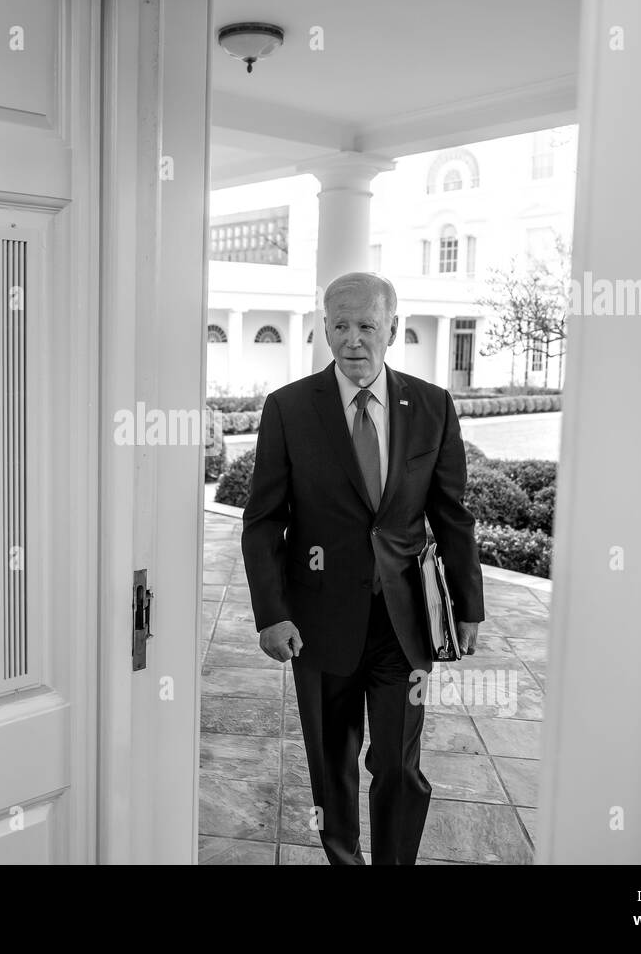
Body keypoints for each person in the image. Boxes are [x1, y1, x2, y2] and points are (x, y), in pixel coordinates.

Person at [241, 272, 484, 864]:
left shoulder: (432, 406)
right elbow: (263, 520)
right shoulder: (289, 409)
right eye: (340, 325)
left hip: (404, 623)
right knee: (332, 764)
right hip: (318, 624)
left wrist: (468, 607)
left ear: (392, 330)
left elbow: (452, 515)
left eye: (366, 326)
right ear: (325, 328)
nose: (353, 340)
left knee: (399, 764)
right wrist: (272, 614)